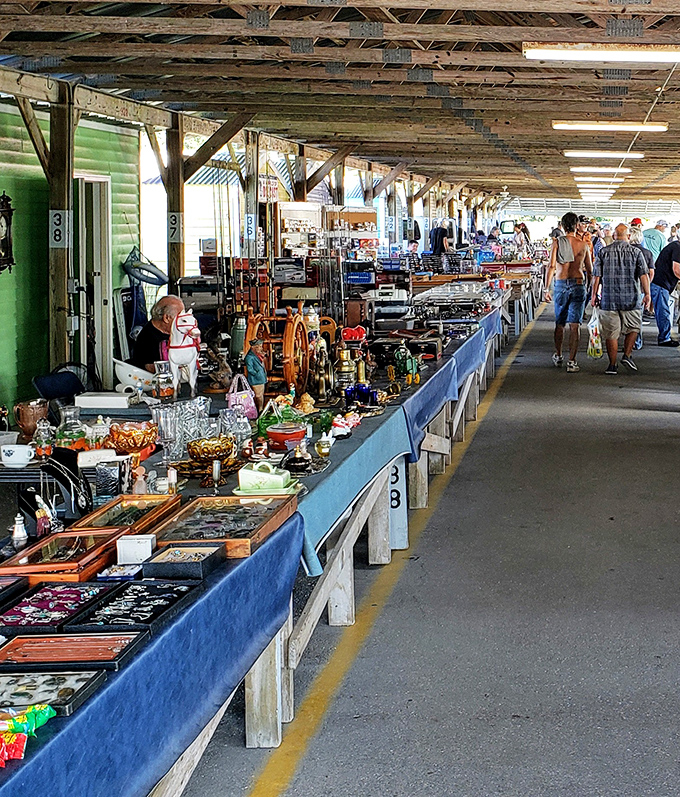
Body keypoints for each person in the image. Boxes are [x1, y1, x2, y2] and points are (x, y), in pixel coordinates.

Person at [591, 223, 651, 374]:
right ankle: (627, 355)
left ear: (614, 236)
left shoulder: (603, 252)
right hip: (631, 299)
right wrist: (647, 294)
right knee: (634, 327)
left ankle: (612, 365)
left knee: (611, 333)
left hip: (608, 300)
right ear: (628, 236)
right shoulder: (636, 252)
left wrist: (594, 296)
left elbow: (596, 276)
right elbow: (644, 275)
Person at [544, 212, 592, 373]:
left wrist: (546, 288)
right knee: (575, 325)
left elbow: (551, 266)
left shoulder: (557, 243)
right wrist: (590, 288)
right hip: (578, 284)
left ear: (563, 226)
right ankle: (572, 361)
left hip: (561, 283)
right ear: (577, 225)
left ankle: (558, 355)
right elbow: (590, 270)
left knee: (560, 323)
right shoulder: (583, 245)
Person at [130, 295, 185, 372]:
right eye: (180, 317)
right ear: (167, 318)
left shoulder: (177, 331)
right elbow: (151, 368)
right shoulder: (147, 339)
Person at [650, 238, 680, 346]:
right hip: (661, 283)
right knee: (663, 312)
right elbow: (676, 270)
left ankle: (664, 336)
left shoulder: (674, 246)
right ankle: (664, 338)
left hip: (660, 283)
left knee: (662, 311)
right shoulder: (678, 248)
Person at [244, 337, 267, 411]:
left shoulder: (257, 355)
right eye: (259, 346)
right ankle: (259, 409)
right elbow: (250, 369)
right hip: (256, 380)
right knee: (258, 396)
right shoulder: (250, 357)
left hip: (261, 378)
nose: (261, 348)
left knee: (260, 395)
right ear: (254, 347)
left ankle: (261, 409)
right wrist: (257, 373)